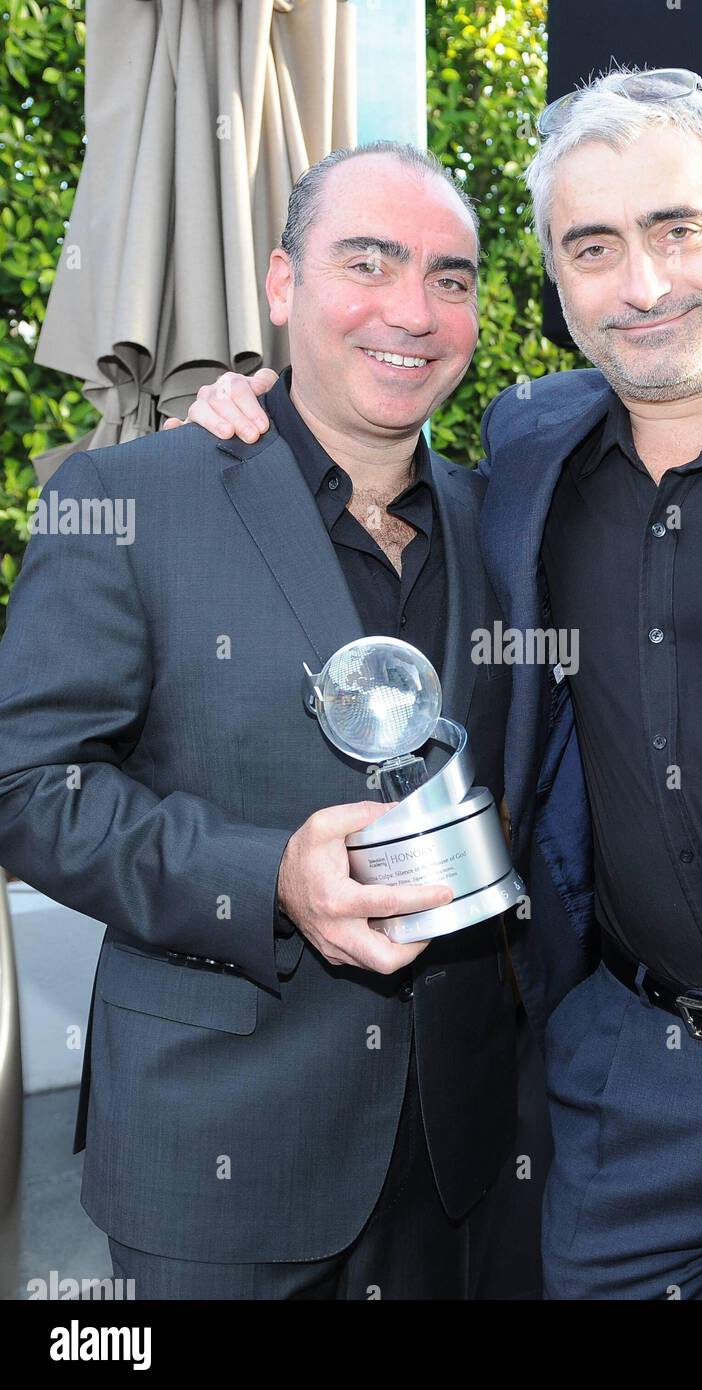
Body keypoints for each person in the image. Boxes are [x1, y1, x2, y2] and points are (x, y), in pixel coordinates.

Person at [176, 70, 702, 1301]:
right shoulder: (534, 445)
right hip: (614, 1086)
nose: (641, 285)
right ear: (557, 277)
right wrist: (255, 412)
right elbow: (374, 442)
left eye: (677, 228)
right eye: (594, 246)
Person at [0, 143, 527, 1299]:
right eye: (369, 262)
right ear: (284, 286)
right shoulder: (127, 500)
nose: (413, 309)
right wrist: (266, 877)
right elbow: (28, 786)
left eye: (452, 276)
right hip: (215, 1156)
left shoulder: (506, 523)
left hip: (460, 1162)